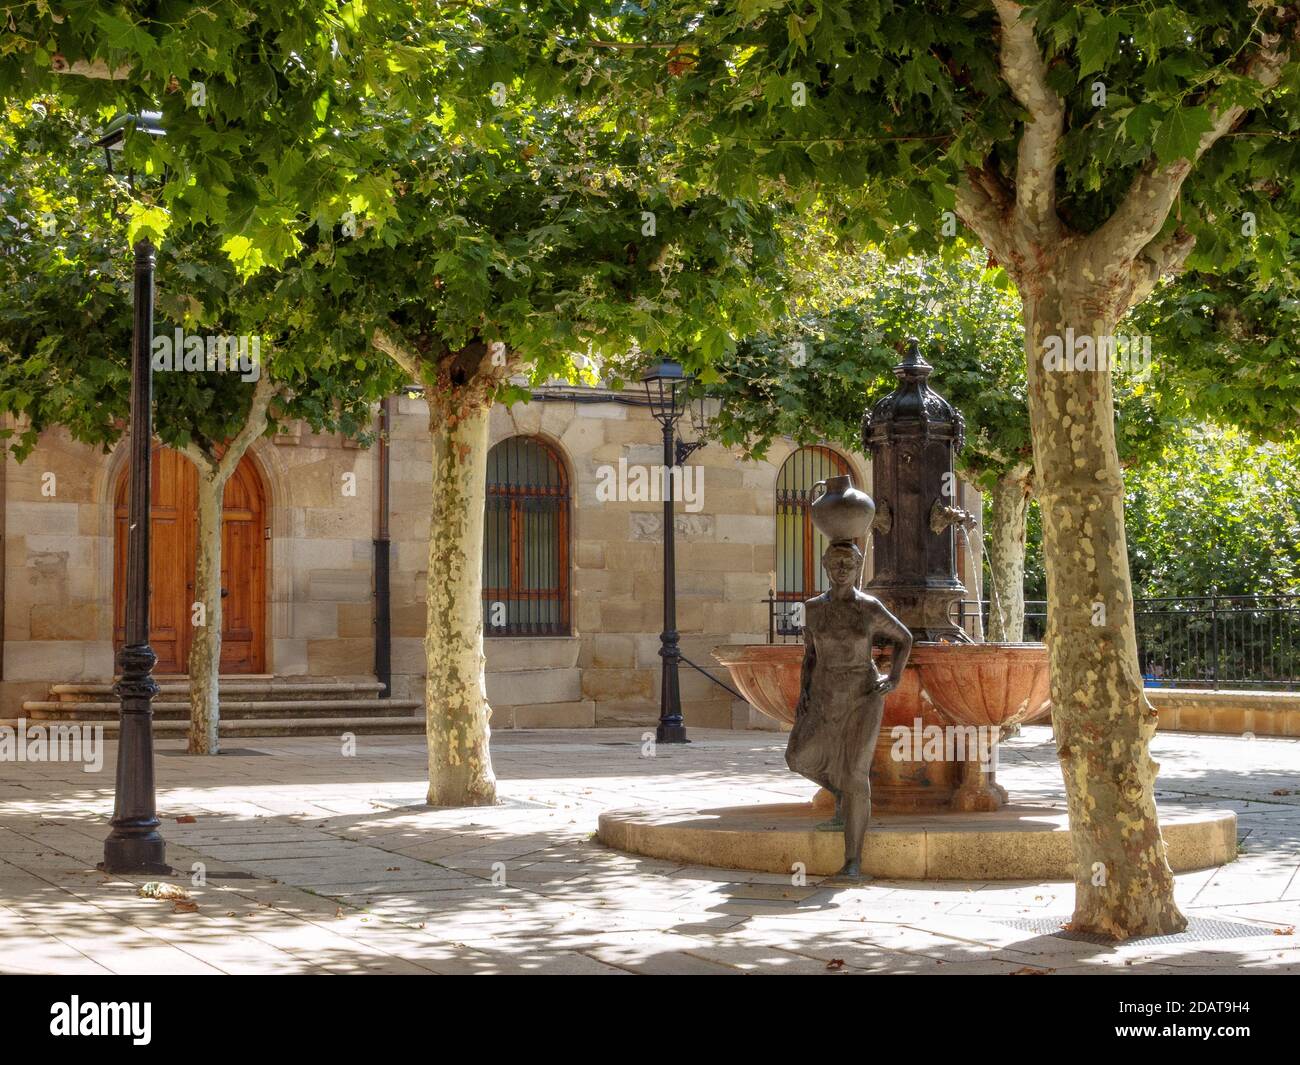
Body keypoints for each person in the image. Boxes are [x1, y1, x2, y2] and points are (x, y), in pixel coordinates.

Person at [786, 539, 912, 878]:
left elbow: (904, 638)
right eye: (837, 562)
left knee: (857, 774)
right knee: (797, 758)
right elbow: (810, 656)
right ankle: (843, 793)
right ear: (826, 565)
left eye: (849, 564)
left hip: (863, 695)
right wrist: (803, 694)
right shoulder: (812, 609)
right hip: (825, 695)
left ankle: (853, 861)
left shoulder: (869, 607)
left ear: (858, 569)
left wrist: (894, 677)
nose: (843, 569)